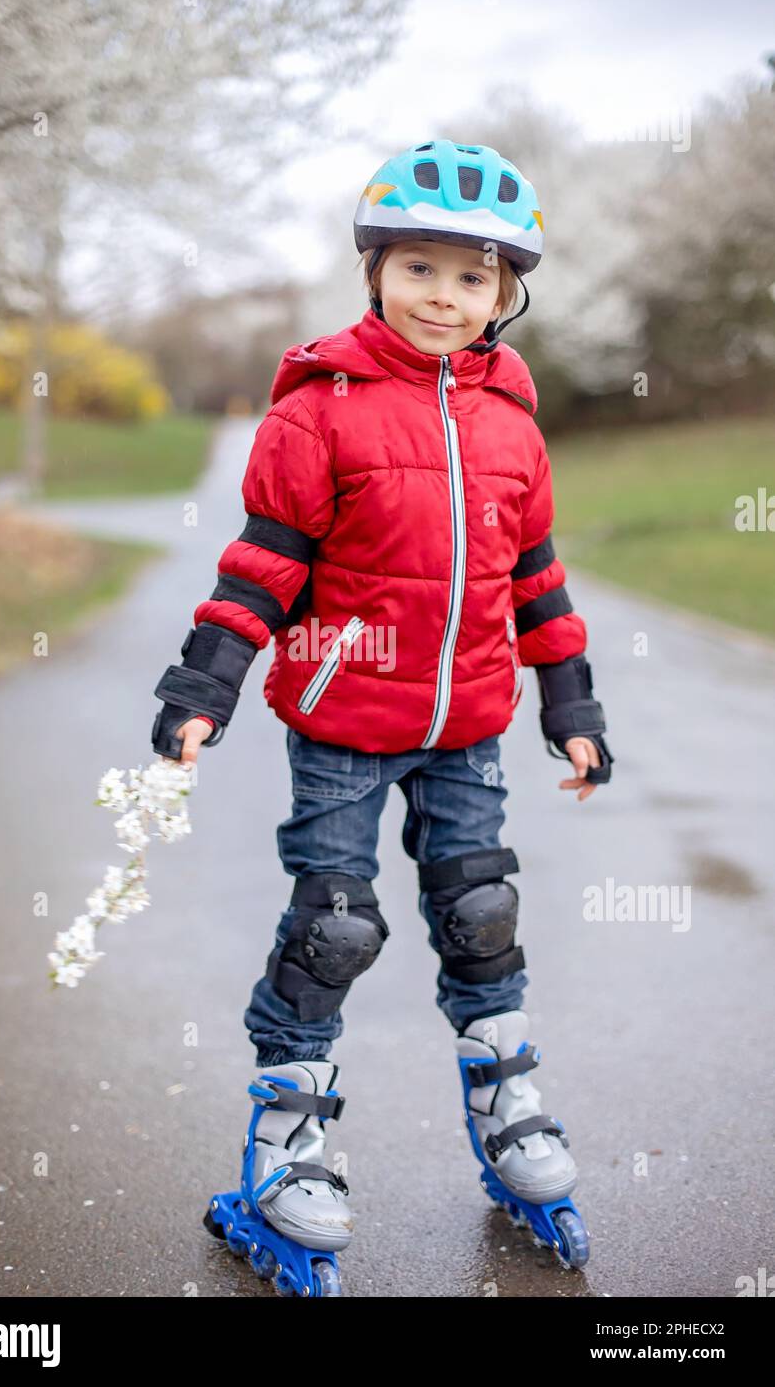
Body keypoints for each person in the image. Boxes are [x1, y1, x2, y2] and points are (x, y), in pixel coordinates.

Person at [151, 139, 614, 1263]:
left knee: (480, 911)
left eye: (470, 277)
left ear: (504, 295)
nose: (441, 297)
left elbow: (535, 578)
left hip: (467, 723)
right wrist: (202, 686)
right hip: (342, 722)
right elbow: (260, 563)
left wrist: (572, 705)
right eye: (418, 268)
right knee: (335, 926)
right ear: (373, 272)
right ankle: (287, 1135)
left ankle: (506, 1107)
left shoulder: (511, 423)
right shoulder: (321, 408)